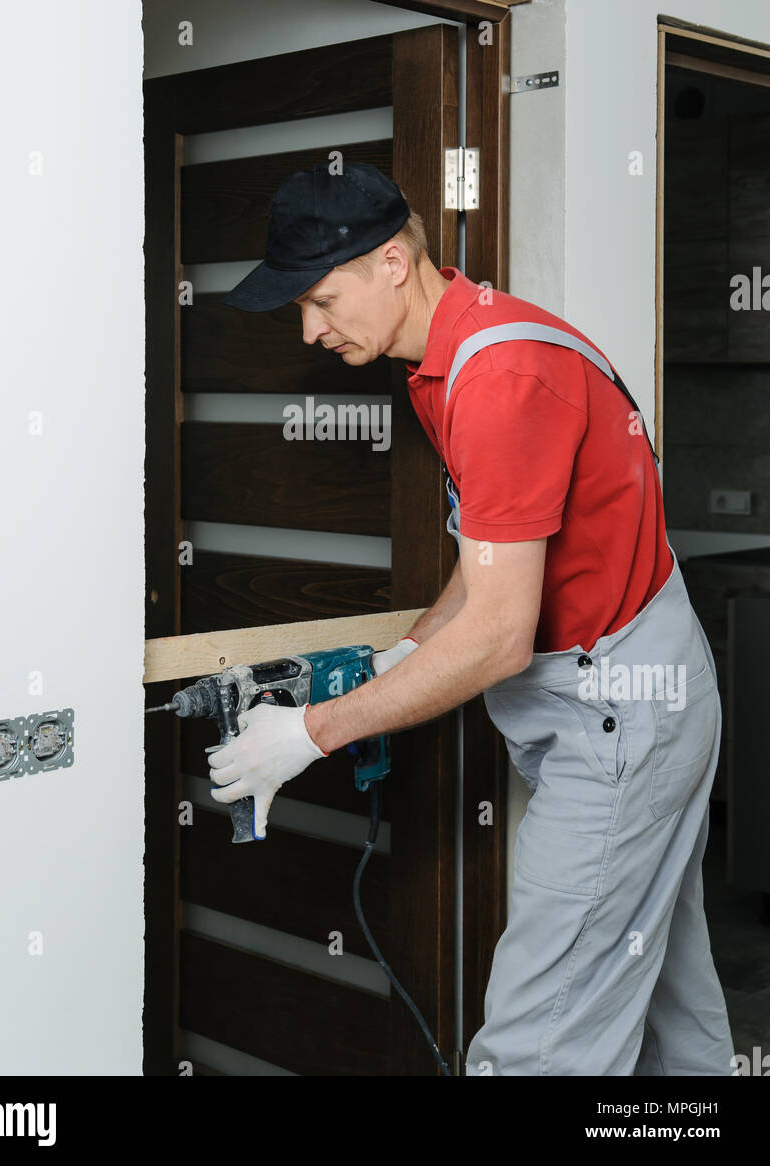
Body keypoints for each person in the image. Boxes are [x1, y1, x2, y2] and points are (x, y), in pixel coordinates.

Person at [210, 160, 735, 1076]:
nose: (309, 330)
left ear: (391, 262)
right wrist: (407, 652)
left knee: (540, 1040)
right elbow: (492, 554)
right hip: (646, 691)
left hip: (619, 711)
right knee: (665, 1000)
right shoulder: (458, 353)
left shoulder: (498, 380)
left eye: (323, 299)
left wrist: (312, 732)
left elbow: (497, 637)